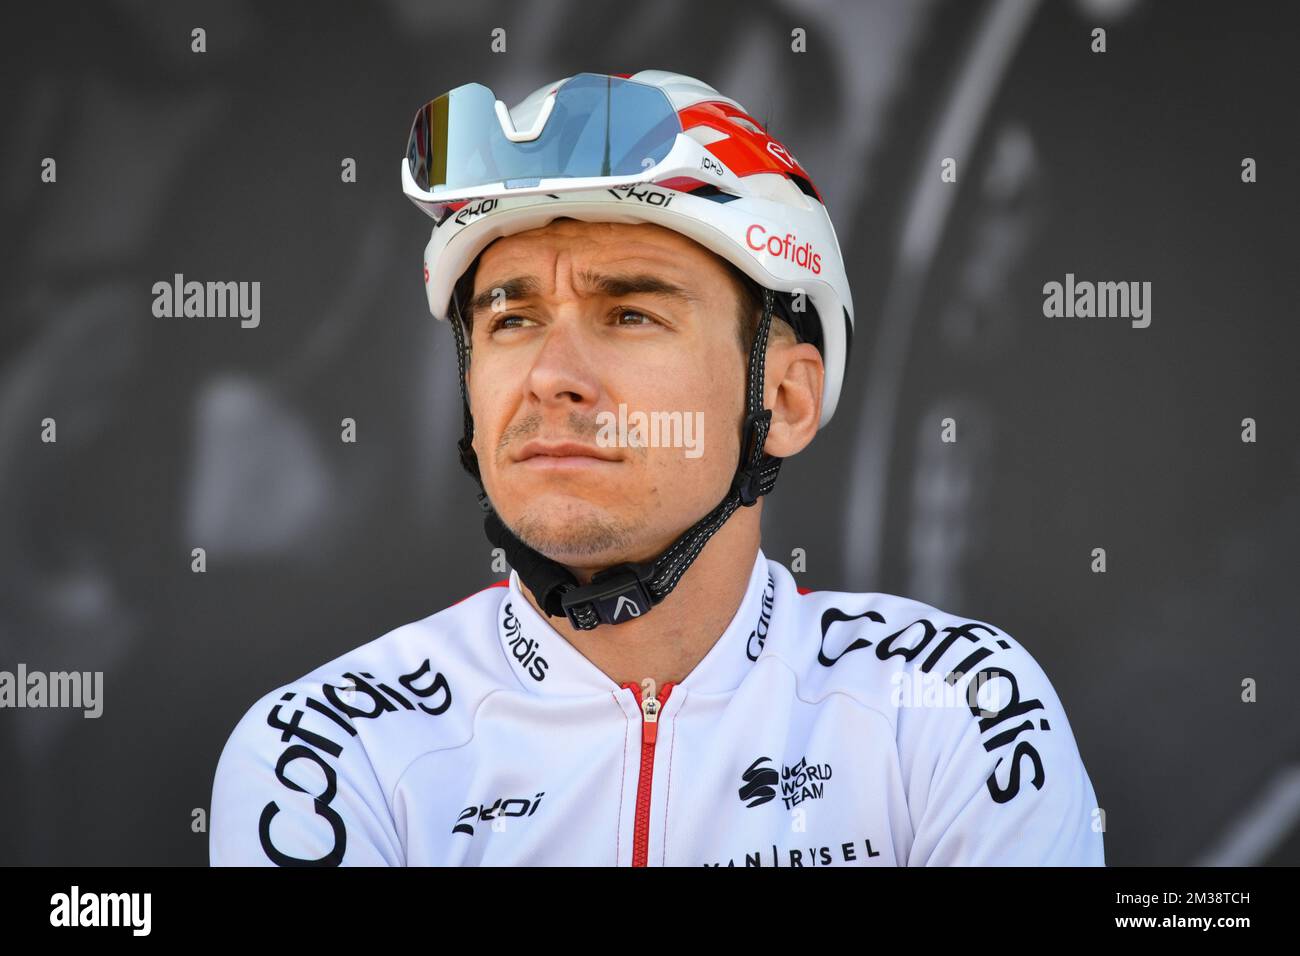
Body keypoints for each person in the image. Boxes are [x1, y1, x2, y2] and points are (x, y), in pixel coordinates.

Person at [209, 70, 1104, 866]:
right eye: (510, 320)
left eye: (630, 314)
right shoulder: (327, 752)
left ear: (785, 402)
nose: (551, 379)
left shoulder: (955, 708)